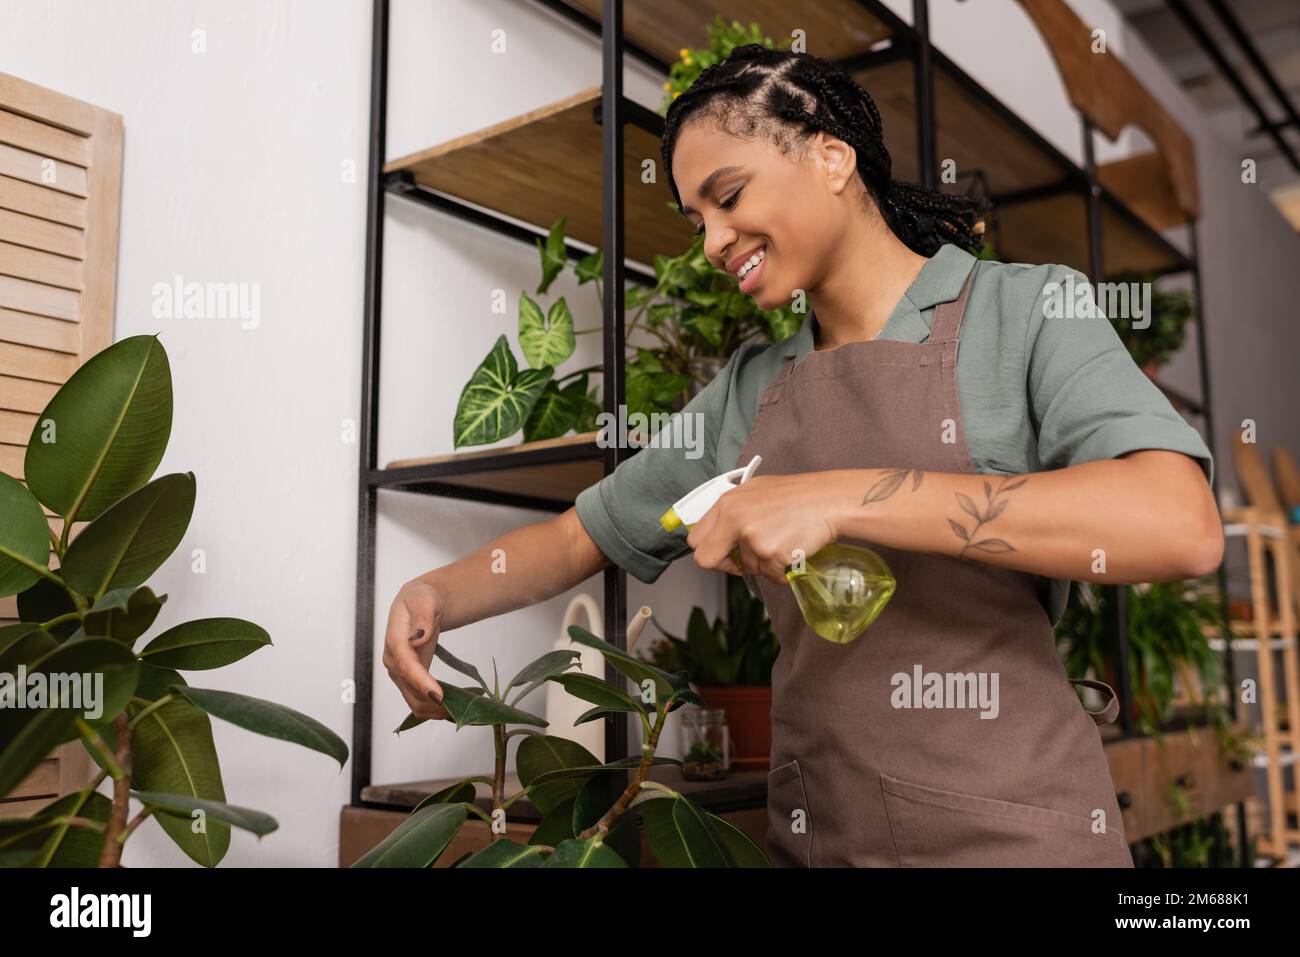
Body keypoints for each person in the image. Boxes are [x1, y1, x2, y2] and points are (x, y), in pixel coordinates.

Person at [383, 45, 1223, 867]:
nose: (711, 241)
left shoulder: (1028, 310)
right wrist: (434, 593)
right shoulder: (753, 389)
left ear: (830, 155)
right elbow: (578, 536)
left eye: (728, 195)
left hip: (1016, 830)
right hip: (825, 833)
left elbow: (1177, 523)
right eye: (696, 221)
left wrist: (842, 497)